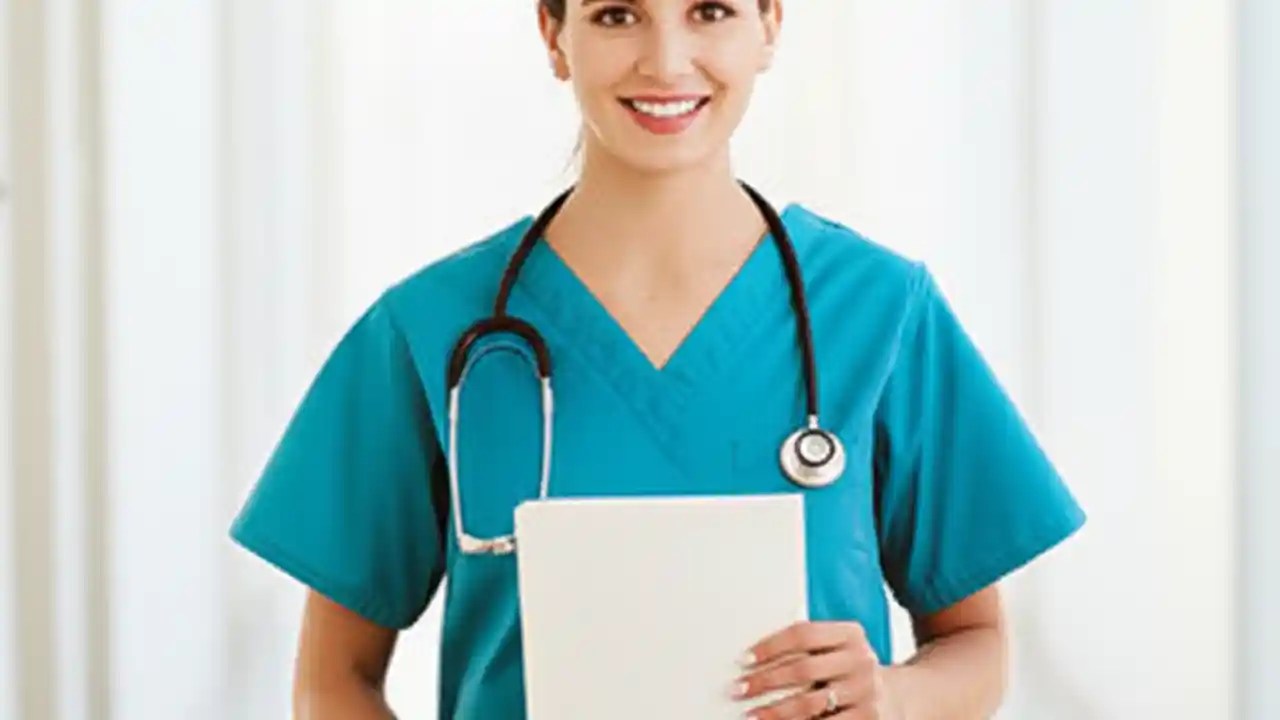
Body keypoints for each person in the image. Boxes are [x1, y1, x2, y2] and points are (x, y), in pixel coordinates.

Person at [228, 1, 1087, 718]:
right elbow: (333, 679)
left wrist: (893, 698)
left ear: (769, 25)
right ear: (554, 36)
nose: (665, 58)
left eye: (708, 11)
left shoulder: (879, 313)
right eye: (616, 15)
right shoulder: (431, 328)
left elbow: (976, 644)